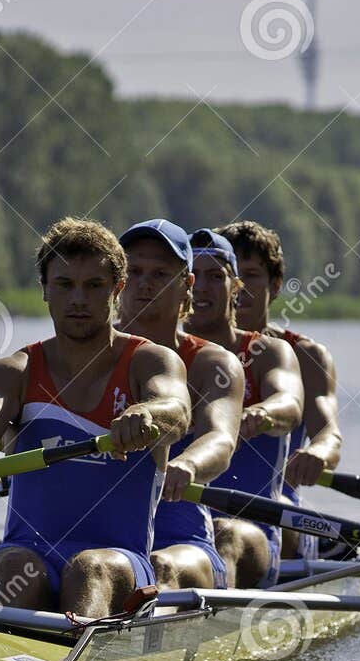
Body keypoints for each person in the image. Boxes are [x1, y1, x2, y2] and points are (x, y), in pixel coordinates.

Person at [0, 217, 190, 618]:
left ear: (117, 290)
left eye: (94, 286)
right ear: (45, 289)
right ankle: (1, 657)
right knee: (11, 567)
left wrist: (144, 413)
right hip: (26, 558)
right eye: (64, 285)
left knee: (88, 568)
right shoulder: (14, 371)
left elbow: (176, 410)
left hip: (119, 563)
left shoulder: (149, 361)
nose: (78, 299)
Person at [116, 217, 244, 590]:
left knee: (158, 566)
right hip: (97, 541)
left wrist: (187, 463)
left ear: (186, 285)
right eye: (135, 271)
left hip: (183, 542)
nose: (145, 284)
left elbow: (221, 440)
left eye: (159, 273)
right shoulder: (84, 357)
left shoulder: (213, 364)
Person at [182, 228, 303, 587]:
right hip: (176, 531)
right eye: (194, 277)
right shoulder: (161, 357)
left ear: (235, 289)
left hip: (252, 531)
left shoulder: (269, 352)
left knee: (224, 534)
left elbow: (291, 403)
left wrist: (264, 413)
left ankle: (203, 625)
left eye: (215, 277)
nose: (201, 288)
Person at [219, 220, 342, 561]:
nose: (239, 287)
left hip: (275, 511)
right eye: (230, 274)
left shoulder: (307, 357)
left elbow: (329, 435)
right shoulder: (181, 353)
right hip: (193, 507)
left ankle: (325, 547)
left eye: (252, 275)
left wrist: (318, 454)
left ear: (275, 286)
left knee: (263, 512)